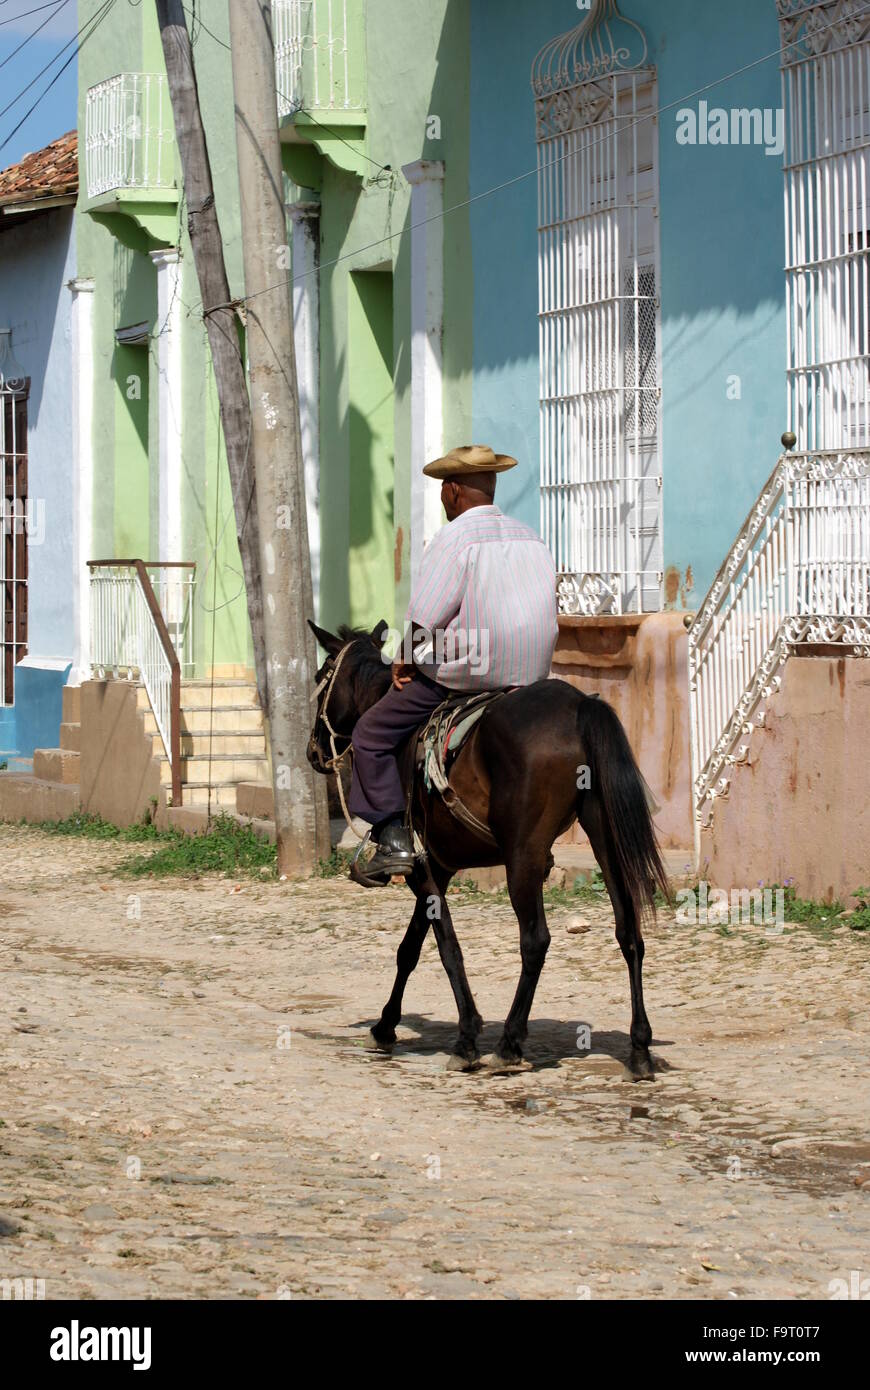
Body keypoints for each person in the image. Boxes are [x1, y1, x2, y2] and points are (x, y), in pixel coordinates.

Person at [347, 443, 559, 882]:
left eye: (444, 487)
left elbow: (425, 617)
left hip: (468, 676)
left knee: (370, 733)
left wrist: (403, 659)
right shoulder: (531, 536)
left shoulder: (454, 539)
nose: (443, 496)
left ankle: (393, 841)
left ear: (455, 491)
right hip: (533, 675)